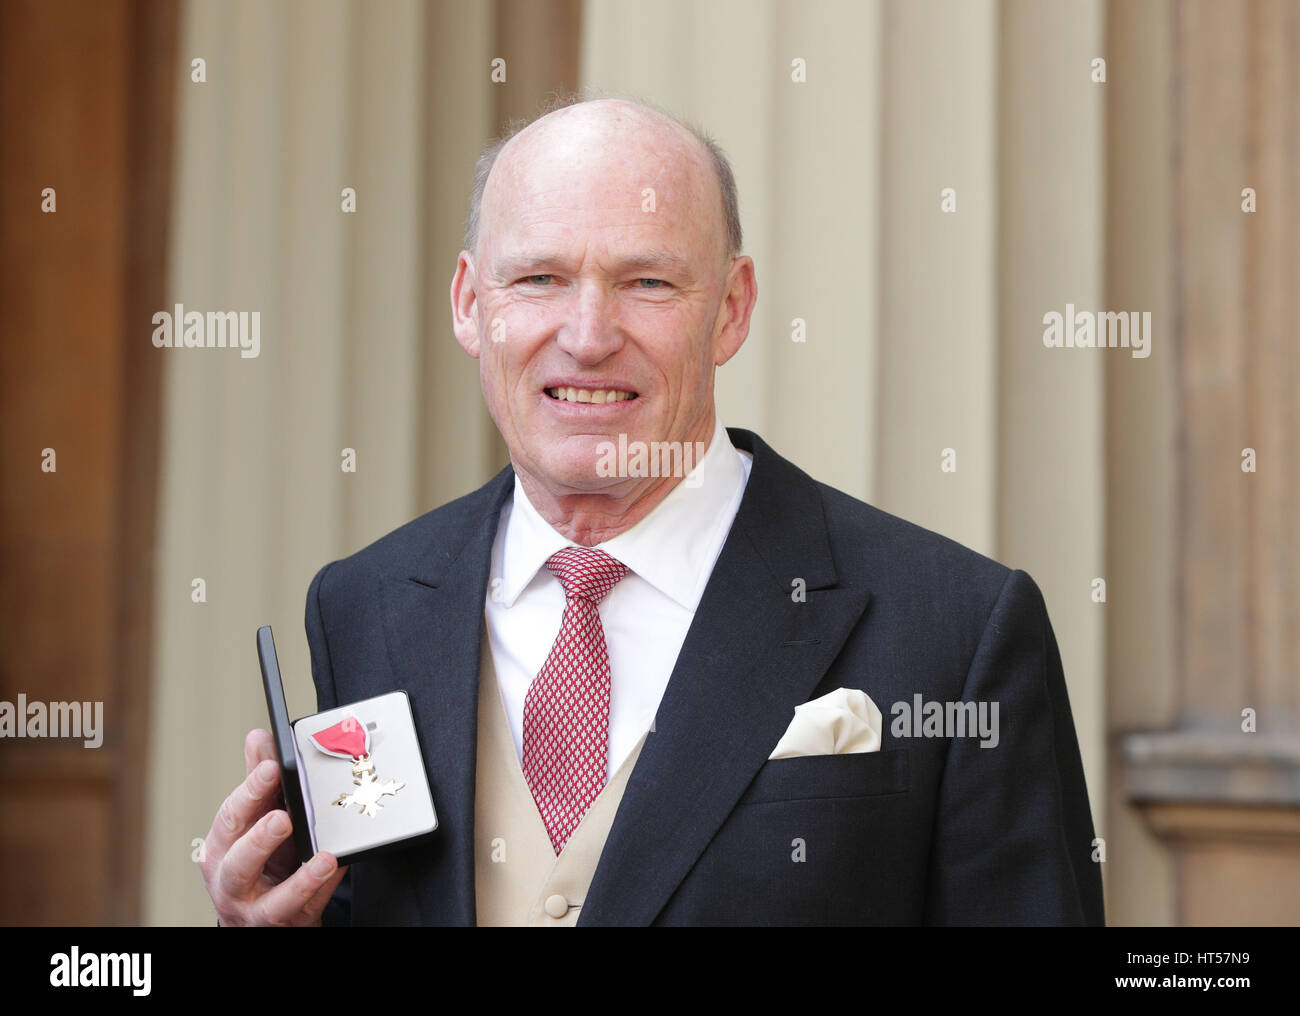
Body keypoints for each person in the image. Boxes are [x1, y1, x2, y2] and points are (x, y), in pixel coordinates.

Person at [199, 95, 1104, 926]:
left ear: (732, 311)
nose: (588, 338)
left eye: (649, 284)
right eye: (540, 280)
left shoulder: (956, 630)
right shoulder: (364, 607)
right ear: (473, 305)